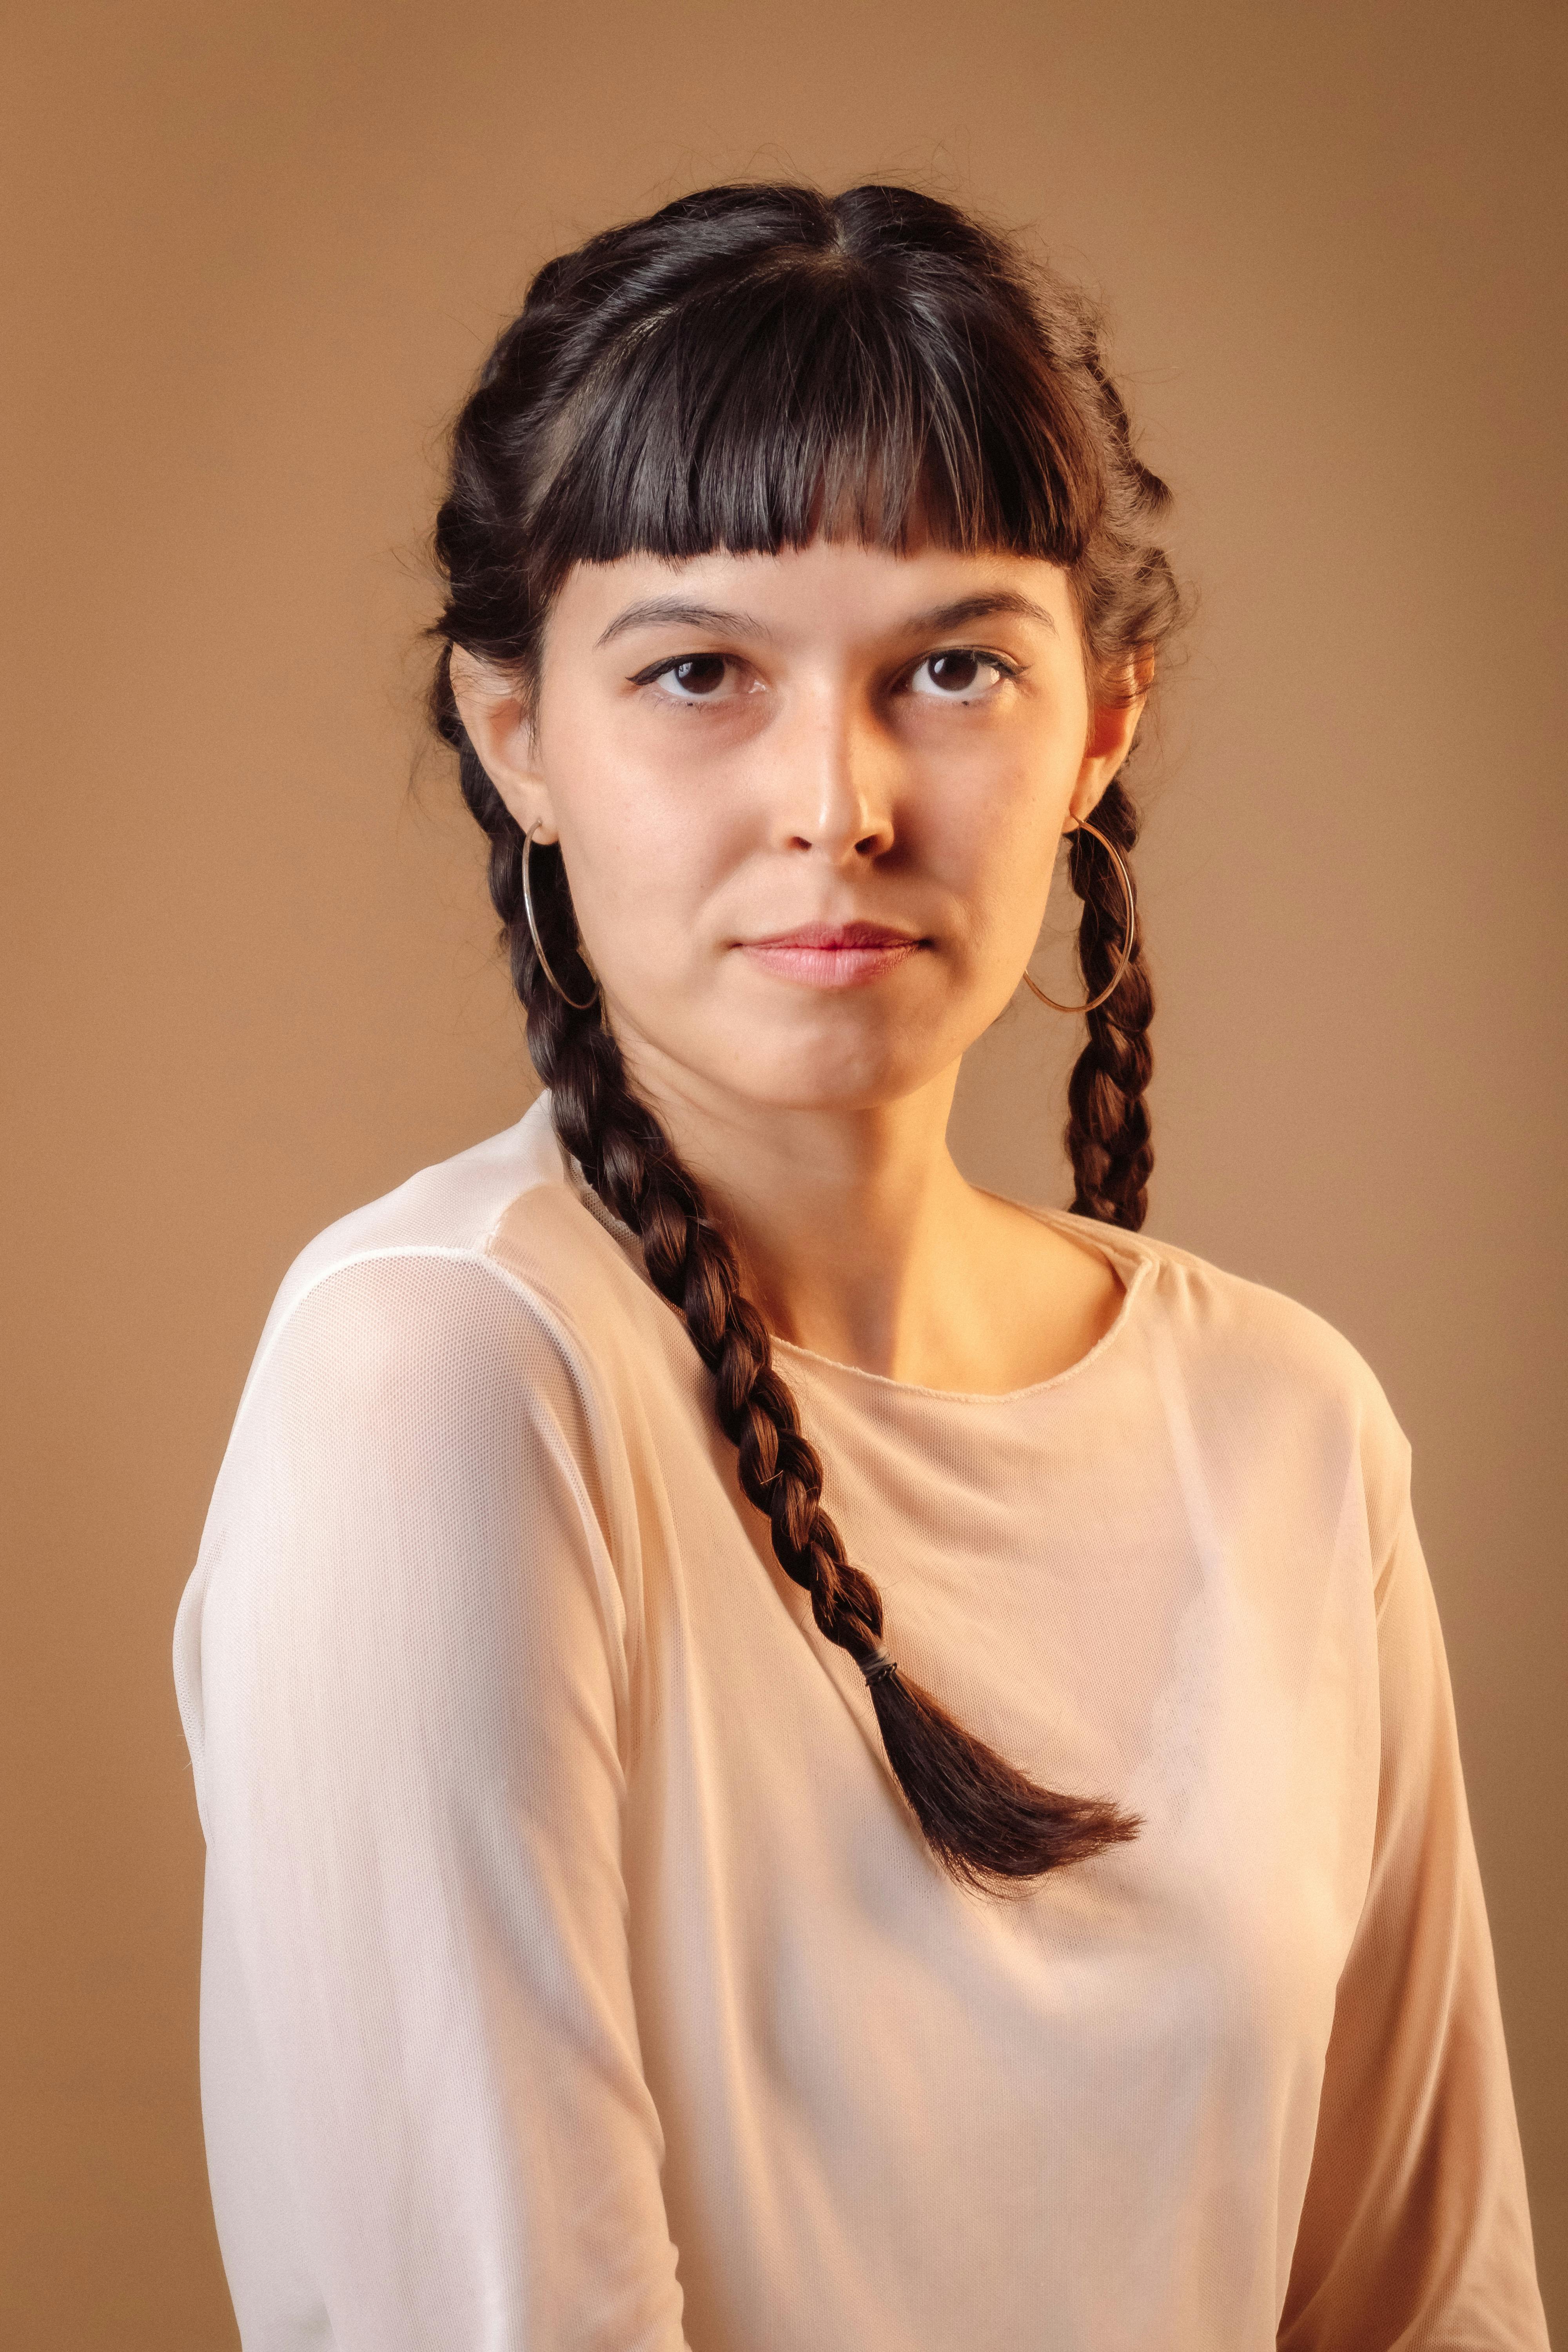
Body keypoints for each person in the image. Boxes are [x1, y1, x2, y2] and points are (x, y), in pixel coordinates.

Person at [172, 180, 1550, 2351]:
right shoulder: (442, 1378)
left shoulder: (1288, 1426)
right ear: (519, 736)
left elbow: (1427, 2303)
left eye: (953, 669)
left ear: (1102, 724)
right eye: (699, 672)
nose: (839, 802)